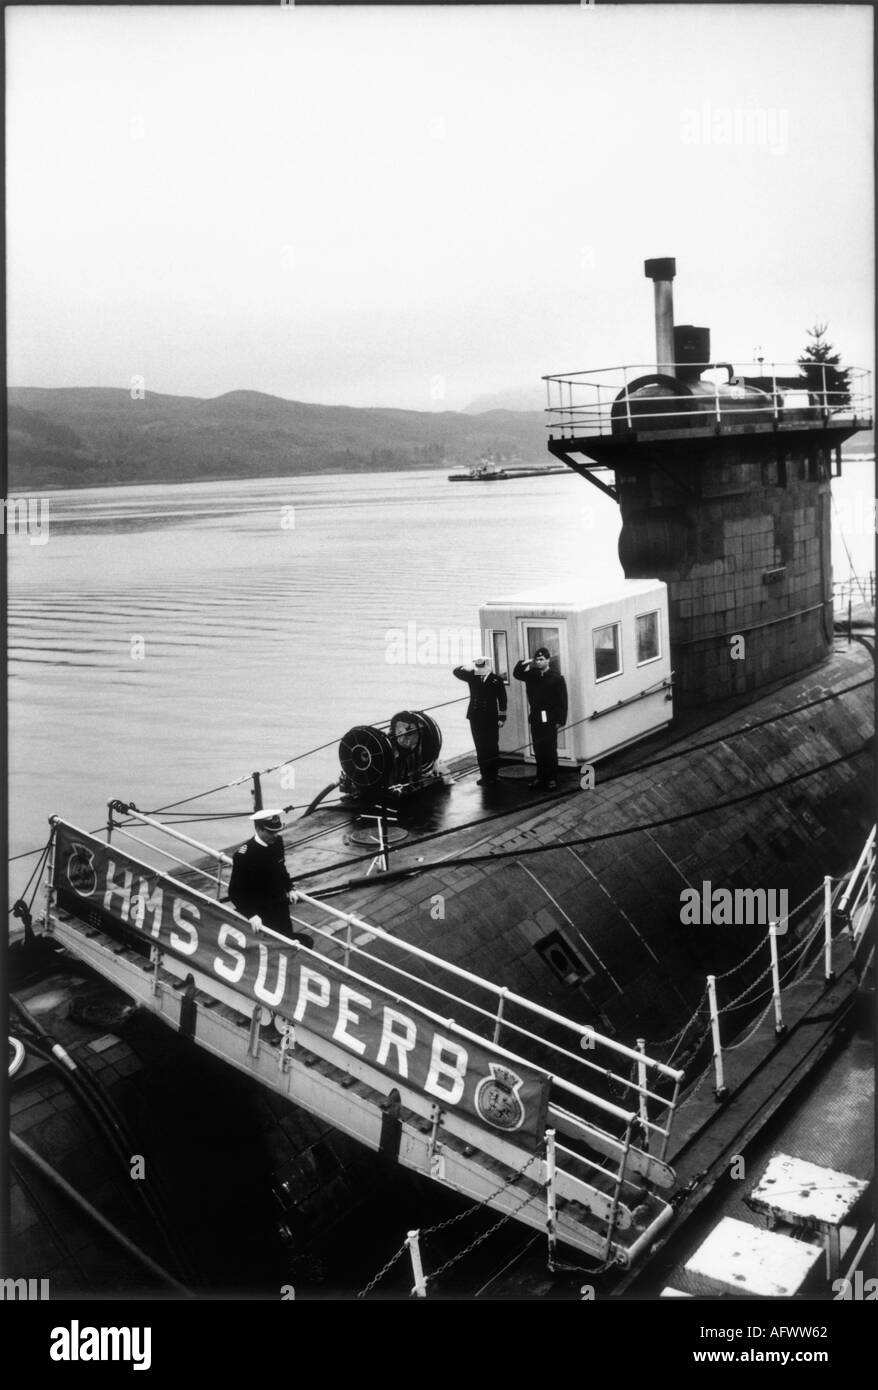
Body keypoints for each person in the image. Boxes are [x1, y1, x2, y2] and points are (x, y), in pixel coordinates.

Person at [228, 809, 314, 948]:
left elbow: (280, 867)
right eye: (270, 832)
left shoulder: (277, 842)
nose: (275, 835)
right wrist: (251, 915)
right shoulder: (244, 855)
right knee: (268, 946)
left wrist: (290, 887)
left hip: (279, 905)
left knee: (287, 942)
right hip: (260, 911)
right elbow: (234, 892)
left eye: (277, 831)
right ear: (258, 829)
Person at [513, 647, 568, 790]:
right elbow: (517, 673)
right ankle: (541, 777)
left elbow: (563, 701)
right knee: (538, 749)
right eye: (537, 659)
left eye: (542, 659)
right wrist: (524, 662)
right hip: (537, 717)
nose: (539, 662)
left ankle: (551, 779)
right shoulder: (532, 675)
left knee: (550, 749)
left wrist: (560, 720)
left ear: (548, 660)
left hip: (550, 718)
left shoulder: (556, 678)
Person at [453, 657, 507, 785]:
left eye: (481, 667)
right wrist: (466, 666)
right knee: (480, 746)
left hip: (491, 717)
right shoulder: (472, 676)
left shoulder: (496, 679)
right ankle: (484, 775)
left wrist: (502, 717)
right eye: (477, 667)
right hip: (475, 717)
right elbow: (456, 672)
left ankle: (493, 775)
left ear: (488, 667)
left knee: (492, 746)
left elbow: (502, 699)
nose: (479, 670)